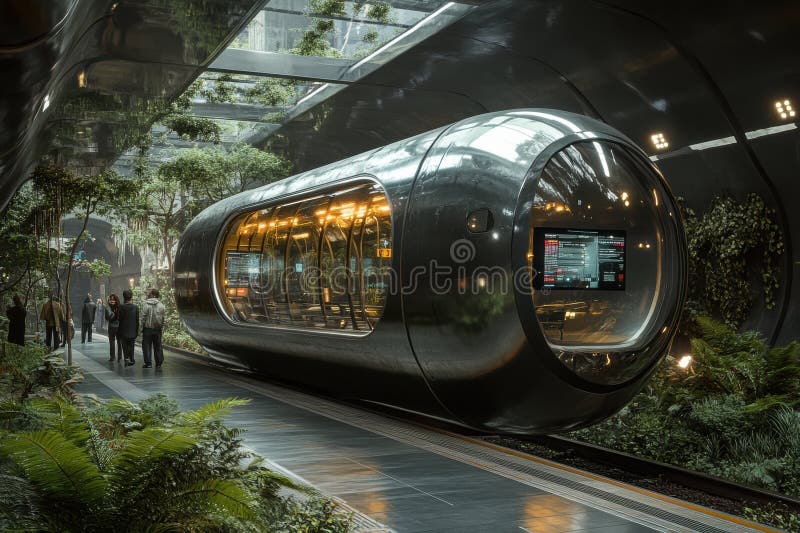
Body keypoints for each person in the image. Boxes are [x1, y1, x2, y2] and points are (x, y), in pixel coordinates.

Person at [141, 288, 166, 368]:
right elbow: (163, 318)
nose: (148, 294)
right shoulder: (161, 305)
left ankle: (148, 363)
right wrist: (162, 327)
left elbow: (143, 317)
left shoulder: (146, 304)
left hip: (147, 329)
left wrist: (142, 326)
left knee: (146, 346)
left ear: (153, 295)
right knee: (158, 346)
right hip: (157, 329)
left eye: (150, 293)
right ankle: (158, 363)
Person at [118, 289, 139, 366]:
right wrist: (137, 330)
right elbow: (137, 321)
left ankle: (126, 358)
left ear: (124, 297)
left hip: (123, 330)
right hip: (133, 330)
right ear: (131, 297)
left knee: (124, 345)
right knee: (131, 345)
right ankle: (131, 358)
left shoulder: (121, 307)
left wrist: (119, 331)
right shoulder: (135, 307)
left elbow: (119, 319)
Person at [105, 294, 122, 362]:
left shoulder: (108, 308)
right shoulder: (118, 307)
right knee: (117, 342)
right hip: (116, 327)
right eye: (111, 300)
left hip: (114, 327)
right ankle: (118, 357)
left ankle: (114, 357)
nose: (112, 301)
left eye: (113, 300)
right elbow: (108, 318)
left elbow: (108, 318)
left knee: (114, 342)